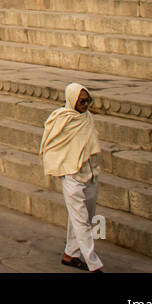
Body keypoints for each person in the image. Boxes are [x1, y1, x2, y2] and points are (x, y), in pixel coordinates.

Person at [40, 83, 104, 272]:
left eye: (88, 101)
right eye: (82, 101)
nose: (85, 104)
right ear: (72, 100)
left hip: (90, 173)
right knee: (80, 220)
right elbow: (49, 144)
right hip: (72, 175)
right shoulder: (61, 119)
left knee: (85, 217)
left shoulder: (87, 118)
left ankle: (71, 254)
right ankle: (94, 264)